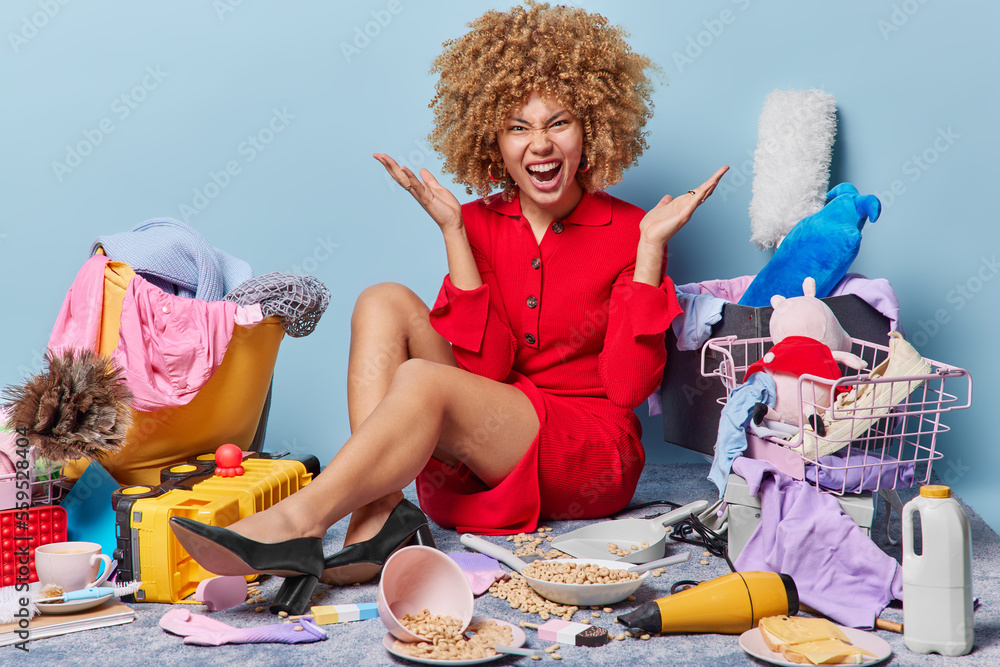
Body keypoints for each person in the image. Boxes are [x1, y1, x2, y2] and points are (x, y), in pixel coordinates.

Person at [170, 1, 728, 614]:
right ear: (493, 138)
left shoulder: (630, 229)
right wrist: (454, 231)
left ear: (590, 127)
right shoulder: (479, 221)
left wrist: (650, 250)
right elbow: (485, 372)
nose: (540, 144)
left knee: (422, 380)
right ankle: (374, 520)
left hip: (587, 450)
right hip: (490, 436)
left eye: (559, 122)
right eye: (517, 127)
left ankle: (300, 521)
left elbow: (627, 388)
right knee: (382, 300)